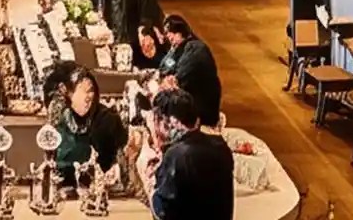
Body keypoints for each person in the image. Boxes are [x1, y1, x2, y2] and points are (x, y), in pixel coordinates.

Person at [143, 89, 234, 220]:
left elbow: (162, 212)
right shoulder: (221, 148)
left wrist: (149, 182)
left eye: (156, 121)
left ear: (168, 122)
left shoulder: (175, 156)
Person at [50, 67, 128, 193]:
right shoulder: (61, 118)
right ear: (69, 94)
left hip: (101, 186)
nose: (87, 97)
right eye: (81, 91)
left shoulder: (107, 119)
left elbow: (117, 158)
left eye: (91, 91)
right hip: (65, 185)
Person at [157, 15, 222, 127]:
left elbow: (179, 76)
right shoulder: (179, 49)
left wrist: (170, 80)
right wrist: (172, 51)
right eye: (167, 32)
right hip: (190, 103)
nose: (168, 35)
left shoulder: (196, 48)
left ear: (180, 31)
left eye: (171, 31)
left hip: (201, 110)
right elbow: (163, 68)